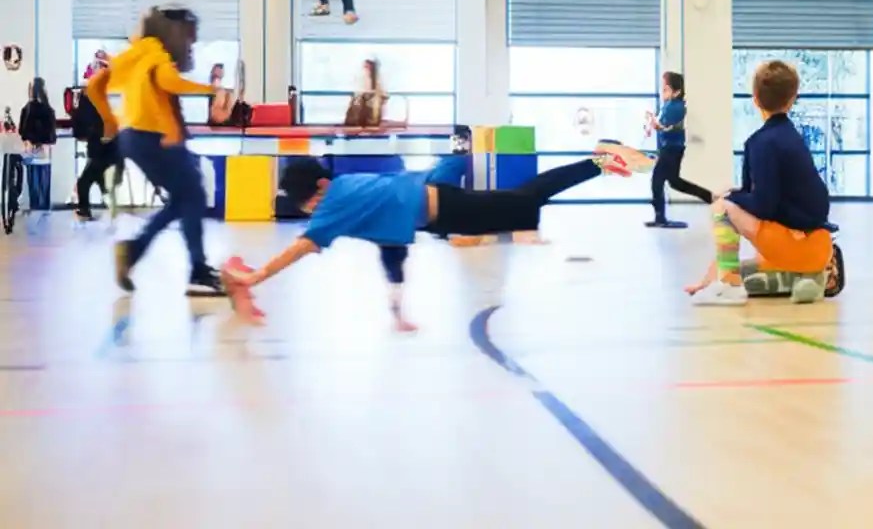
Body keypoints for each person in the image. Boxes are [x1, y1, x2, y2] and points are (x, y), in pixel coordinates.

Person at [222, 142, 654, 331]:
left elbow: (298, 250)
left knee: (527, 200)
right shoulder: (348, 191)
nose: (306, 212)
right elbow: (390, 247)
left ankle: (599, 159)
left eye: (304, 204)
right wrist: (397, 312)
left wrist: (254, 278)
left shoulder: (334, 206)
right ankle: (598, 161)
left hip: (450, 209)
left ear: (317, 190)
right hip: (439, 204)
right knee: (393, 251)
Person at [84, 5, 231, 296]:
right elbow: (168, 81)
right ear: (174, 33)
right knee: (193, 195)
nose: (191, 44)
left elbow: (95, 84)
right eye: (189, 37)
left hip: (135, 137)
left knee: (183, 199)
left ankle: (133, 252)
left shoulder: (139, 52)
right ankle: (197, 271)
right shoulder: (157, 55)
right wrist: (212, 90)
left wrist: (110, 120)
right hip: (153, 138)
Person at [684, 61, 833, 306]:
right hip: (818, 248)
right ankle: (805, 278)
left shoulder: (760, 143)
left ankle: (731, 287)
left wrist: (730, 198)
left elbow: (763, 205)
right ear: (792, 99)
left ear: (755, 100)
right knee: (730, 208)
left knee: (721, 207)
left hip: (791, 248)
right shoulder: (794, 139)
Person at [645, 71, 712, 228]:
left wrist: (656, 124)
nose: (663, 92)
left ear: (677, 91)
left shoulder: (677, 107)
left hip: (672, 149)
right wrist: (653, 123)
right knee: (675, 182)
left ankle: (660, 218)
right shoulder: (668, 106)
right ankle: (709, 197)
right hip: (669, 148)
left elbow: (668, 127)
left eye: (666, 89)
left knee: (658, 180)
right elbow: (662, 126)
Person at [72, 69, 124, 222]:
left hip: (100, 149)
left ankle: (85, 209)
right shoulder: (103, 103)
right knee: (98, 179)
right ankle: (108, 203)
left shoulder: (90, 101)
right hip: (108, 149)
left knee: (84, 182)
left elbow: (83, 124)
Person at [18, 77, 57, 215]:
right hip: (45, 153)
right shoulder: (49, 109)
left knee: (33, 187)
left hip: (31, 152)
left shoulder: (27, 109)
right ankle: (45, 212)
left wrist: (30, 142)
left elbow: (22, 131)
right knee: (44, 187)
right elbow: (52, 135)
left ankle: (35, 212)